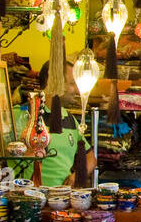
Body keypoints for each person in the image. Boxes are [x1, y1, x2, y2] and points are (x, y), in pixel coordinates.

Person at [9, 58, 94, 186]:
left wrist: (76, 176)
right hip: (30, 198)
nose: (77, 90)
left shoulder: (69, 119)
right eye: (72, 84)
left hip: (61, 200)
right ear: (53, 82)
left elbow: (90, 158)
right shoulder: (21, 115)